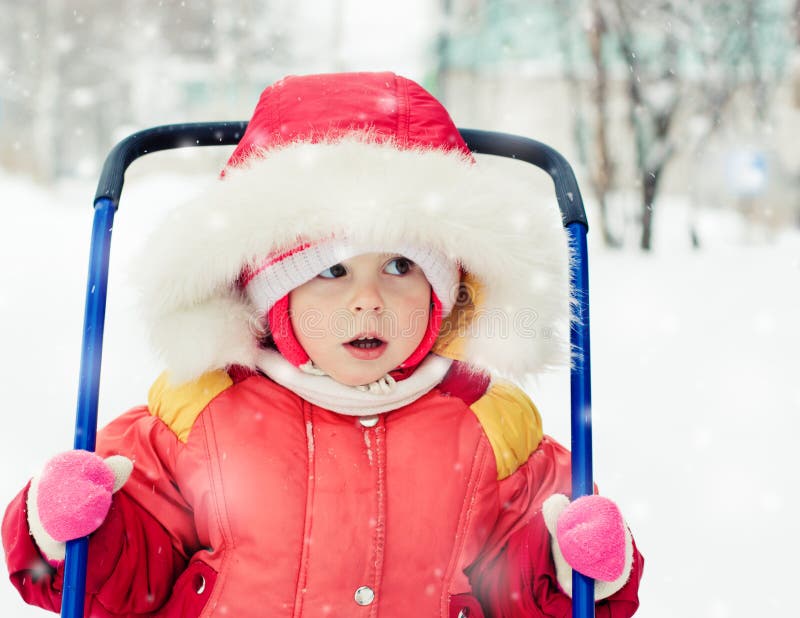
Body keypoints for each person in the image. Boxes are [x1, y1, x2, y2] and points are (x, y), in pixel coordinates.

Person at [2, 72, 643, 617]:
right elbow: (128, 580)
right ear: (271, 301)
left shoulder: (490, 428)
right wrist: (74, 535)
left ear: (444, 294)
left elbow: (520, 578)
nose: (368, 300)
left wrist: (570, 564)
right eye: (331, 272)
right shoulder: (198, 416)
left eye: (400, 268)